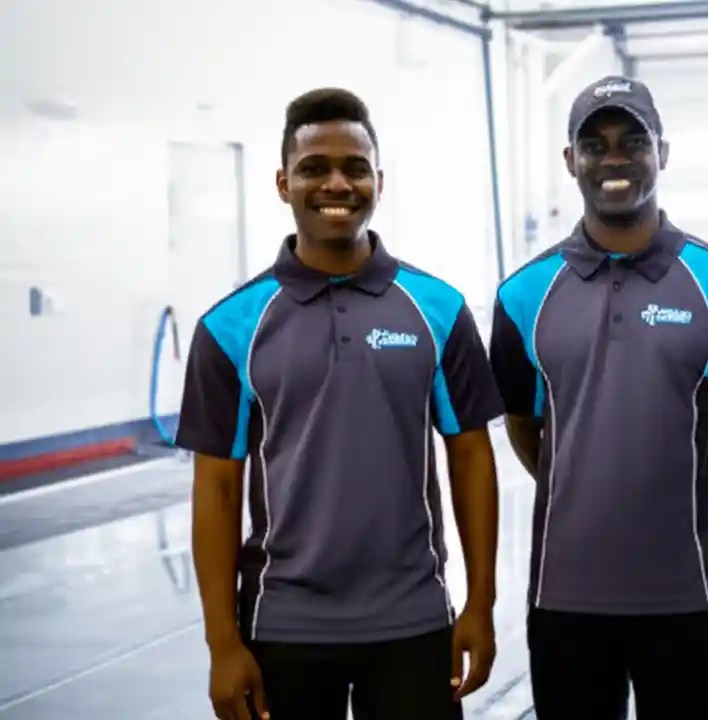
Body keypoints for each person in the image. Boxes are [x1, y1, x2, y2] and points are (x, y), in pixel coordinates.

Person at [174, 87, 503, 720]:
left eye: (354, 168)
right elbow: (216, 489)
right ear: (282, 183)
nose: (336, 183)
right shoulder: (231, 326)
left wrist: (480, 605)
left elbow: (471, 459)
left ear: (378, 181)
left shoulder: (438, 311)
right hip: (283, 626)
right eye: (313, 168)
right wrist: (222, 643)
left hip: (412, 619)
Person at [488, 75, 708, 720]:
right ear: (570, 161)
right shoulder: (523, 295)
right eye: (594, 144)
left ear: (662, 153)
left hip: (687, 596)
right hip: (565, 599)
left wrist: (694, 487)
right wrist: (583, 483)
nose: (613, 158)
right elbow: (524, 423)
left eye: (632, 141)